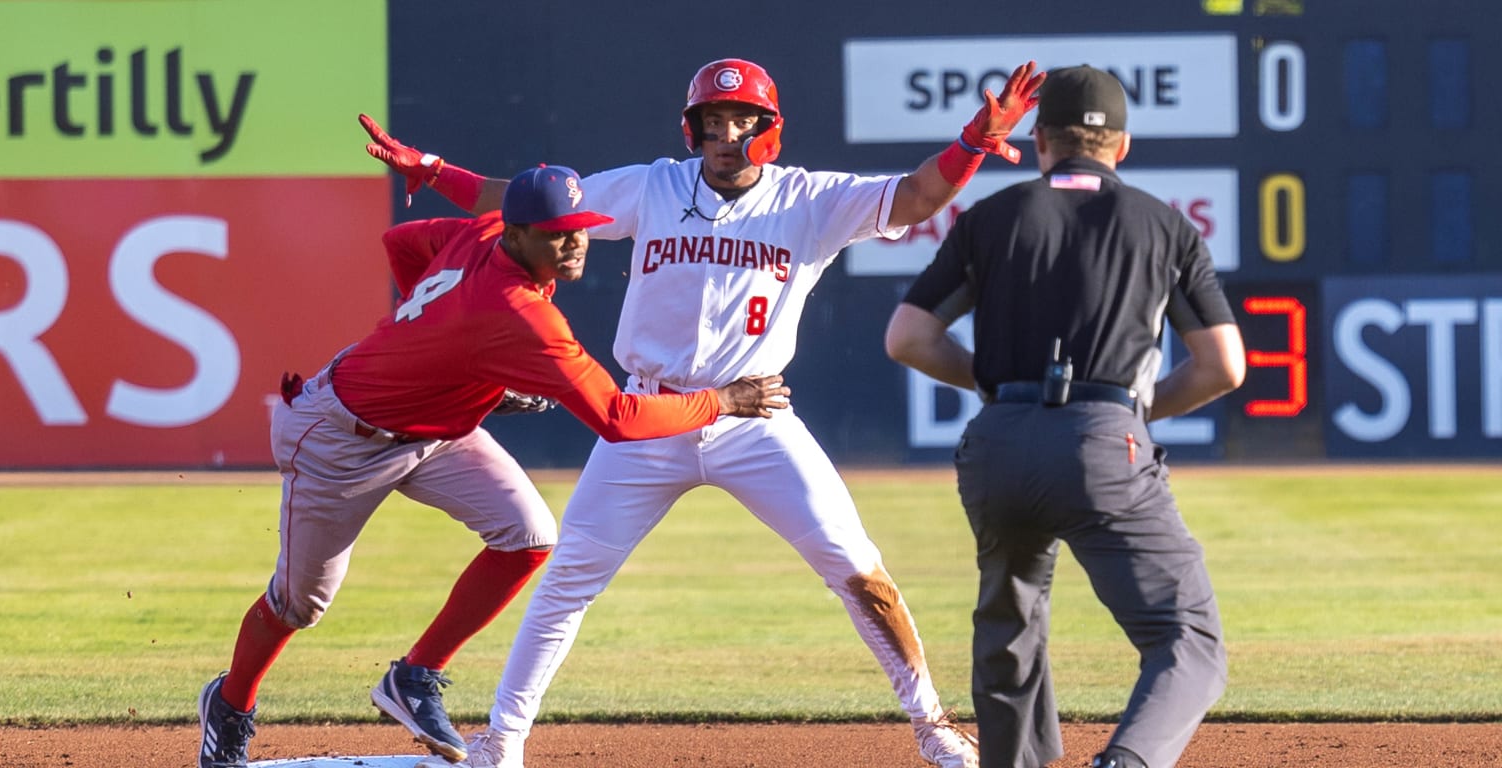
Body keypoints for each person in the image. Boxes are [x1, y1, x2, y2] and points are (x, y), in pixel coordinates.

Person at [369, 57, 1045, 768]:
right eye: (712, 123)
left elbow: (911, 198)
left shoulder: (807, 199)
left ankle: (932, 725)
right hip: (650, 413)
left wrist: (972, 143)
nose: (726, 136)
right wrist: (435, 167)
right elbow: (526, 204)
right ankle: (503, 742)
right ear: (692, 130)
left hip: (754, 417)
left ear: (769, 131)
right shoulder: (655, 184)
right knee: (568, 580)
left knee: (855, 566)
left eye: (742, 122)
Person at [196, 159, 790, 768]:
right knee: (300, 605)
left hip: (437, 430)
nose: (576, 241)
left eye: (582, 225)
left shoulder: (482, 233)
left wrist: (433, 342)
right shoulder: (521, 316)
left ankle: (415, 675)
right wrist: (724, 400)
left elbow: (400, 241)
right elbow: (619, 419)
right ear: (516, 236)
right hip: (340, 439)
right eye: (558, 231)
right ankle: (230, 703)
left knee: (529, 535)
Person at [882, 65, 1247, 768]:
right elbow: (1223, 366)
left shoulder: (988, 218)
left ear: (1041, 139)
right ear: (1123, 146)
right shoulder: (1165, 225)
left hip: (998, 442)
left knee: (1009, 627)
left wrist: (991, 385)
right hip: (1104, 439)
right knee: (1187, 639)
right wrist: (1137, 415)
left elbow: (907, 337)